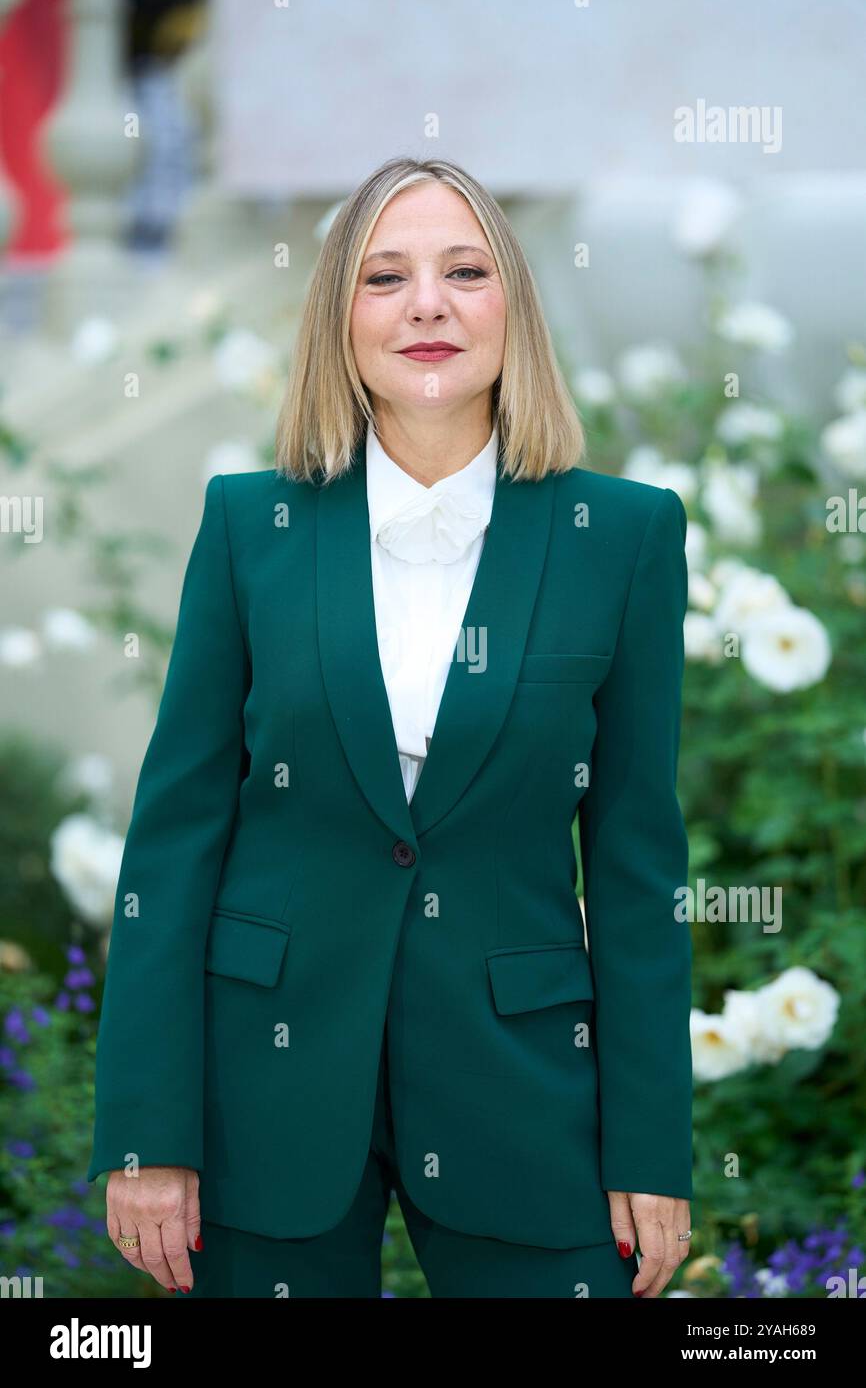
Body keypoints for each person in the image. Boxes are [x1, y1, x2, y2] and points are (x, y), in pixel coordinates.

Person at [87, 156, 694, 1299]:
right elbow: (170, 846)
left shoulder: (621, 535)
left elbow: (633, 864)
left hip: (522, 1084)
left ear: (512, 309)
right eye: (384, 277)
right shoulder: (248, 524)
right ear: (338, 322)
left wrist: (650, 1148)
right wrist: (146, 1131)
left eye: (465, 271)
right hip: (263, 1084)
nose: (427, 304)